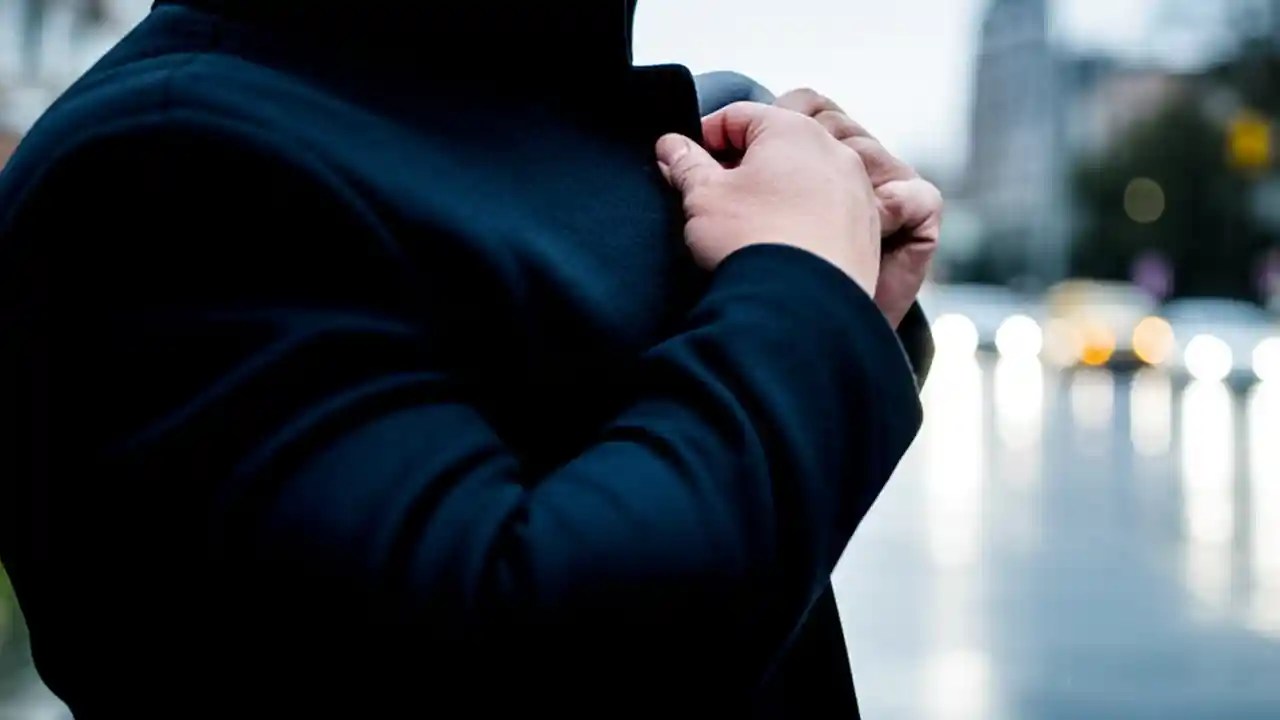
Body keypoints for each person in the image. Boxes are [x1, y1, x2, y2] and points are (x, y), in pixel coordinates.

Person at [0, 1, 940, 716]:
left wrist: (844, 292)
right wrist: (797, 281)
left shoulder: (474, 108)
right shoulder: (167, 162)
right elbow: (521, 655)